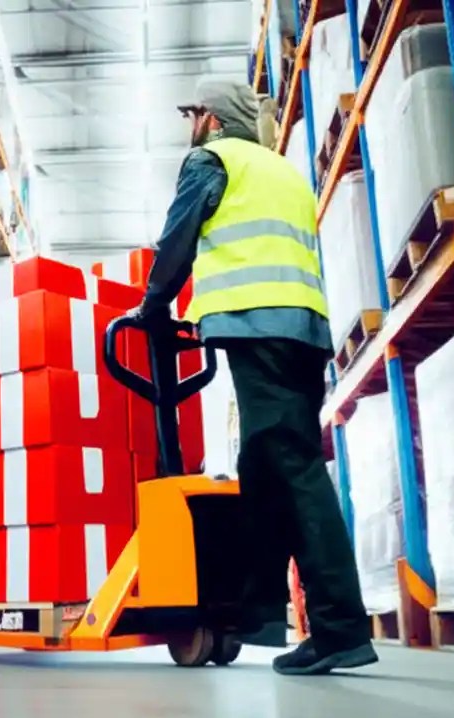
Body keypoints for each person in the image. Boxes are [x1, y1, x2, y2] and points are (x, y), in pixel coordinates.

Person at [126, 78, 377, 676]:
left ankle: (342, 628)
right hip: (304, 329)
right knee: (263, 468)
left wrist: (154, 304)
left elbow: (180, 233)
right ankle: (257, 611)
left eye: (193, 114)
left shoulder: (212, 159)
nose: (190, 124)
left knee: (290, 463)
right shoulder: (282, 170)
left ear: (211, 119)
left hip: (256, 324)